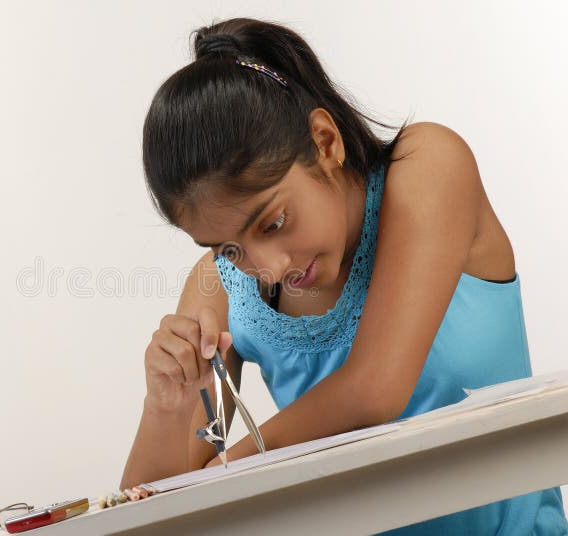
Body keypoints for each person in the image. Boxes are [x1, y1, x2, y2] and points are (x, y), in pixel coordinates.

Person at [120, 16, 568, 534]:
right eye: (227, 247)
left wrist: (220, 479)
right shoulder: (219, 286)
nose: (269, 268)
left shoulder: (428, 167)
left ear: (325, 141)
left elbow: (374, 390)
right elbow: (151, 520)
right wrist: (166, 408)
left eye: (274, 222)